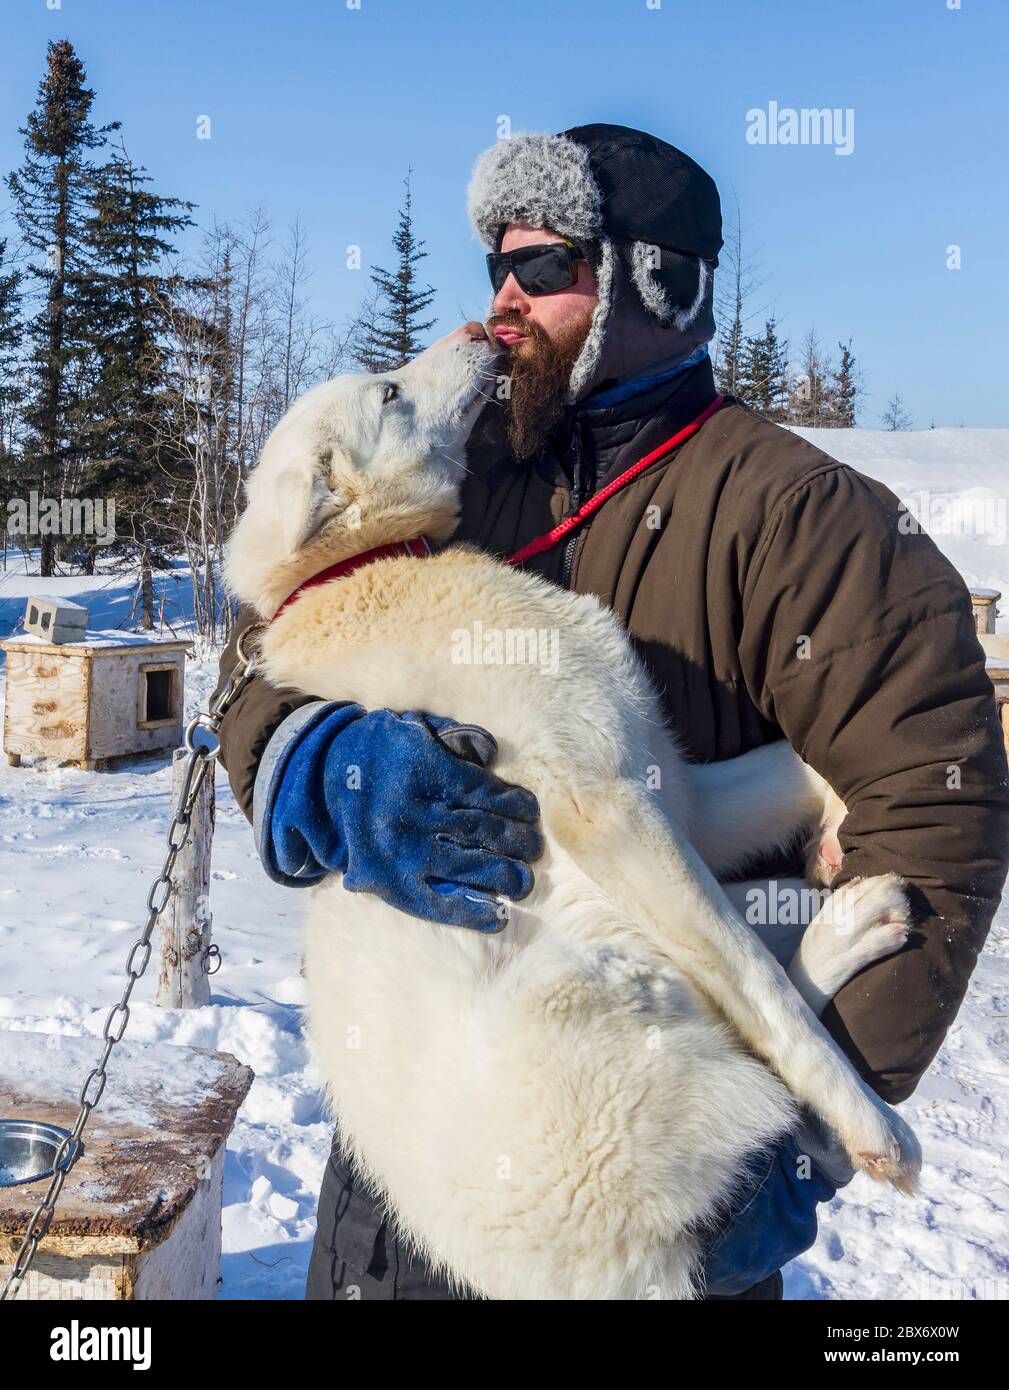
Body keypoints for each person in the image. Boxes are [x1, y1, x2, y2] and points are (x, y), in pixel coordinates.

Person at [214, 124, 1009, 1300]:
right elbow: (274, 618)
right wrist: (308, 749)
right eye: (495, 263)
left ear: (658, 283)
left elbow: (940, 802)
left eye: (544, 267)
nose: (503, 299)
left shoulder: (802, 516)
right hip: (407, 1170)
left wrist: (795, 1137)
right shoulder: (453, 469)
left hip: (634, 1158)